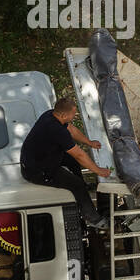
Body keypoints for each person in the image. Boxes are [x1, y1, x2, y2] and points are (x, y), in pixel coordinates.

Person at [20, 97, 111, 230]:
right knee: (76, 184)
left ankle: (83, 192)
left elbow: (72, 129)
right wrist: (98, 171)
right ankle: (93, 219)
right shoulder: (57, 131)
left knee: (72, 162)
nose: (74, 116)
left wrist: (89, 142)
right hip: (37, 170)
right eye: (73, 114)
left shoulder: (50, 114)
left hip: (40, 156)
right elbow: (79, 154)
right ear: (63, 114)